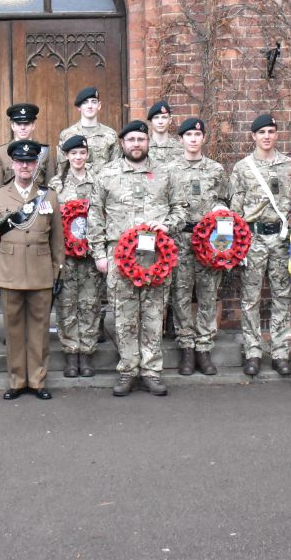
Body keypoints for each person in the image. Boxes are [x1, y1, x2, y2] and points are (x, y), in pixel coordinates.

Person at [88, 120, 187, 396]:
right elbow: (95, 216)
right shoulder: (107, 174)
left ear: (147, 142)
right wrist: (99, 254)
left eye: (141, 139)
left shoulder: (166, 173)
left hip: (156, 257)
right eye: (131, 140)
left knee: (154, 315)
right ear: (122, 143)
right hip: (119, 257)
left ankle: (151, 371)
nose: (136, 144)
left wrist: (167, 225)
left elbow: (181, 209)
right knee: (124, 316)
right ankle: (128, 371)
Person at [0, 139, 66, 400]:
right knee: (14, 329)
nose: (25, 166)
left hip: (41, 271)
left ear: (36, 165)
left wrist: (58, 272)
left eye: (30, 161)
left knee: (40, 330)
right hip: (9, 272)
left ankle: (38, 381)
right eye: (20, 161)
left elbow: (57, 239)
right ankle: (17, 381)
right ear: (13, 164)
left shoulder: (48, 196)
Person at [229, 113, 291, 377]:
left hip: (281, 239)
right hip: (253, 239)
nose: (267, 136)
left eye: (271, 131)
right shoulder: (242, 168)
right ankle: (253, 352)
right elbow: (236, 209)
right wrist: (237, 244)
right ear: (253, 136)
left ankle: (280, 353)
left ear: (276, 134)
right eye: (262, 132)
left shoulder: (289, 165)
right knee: (250, 298)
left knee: (282, 296)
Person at [167, 118, 231, 376]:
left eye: (197, 135)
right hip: (180, 238)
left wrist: (220, 211)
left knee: (208, 293)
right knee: (181, 293)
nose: (193, 139)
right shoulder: (170, 170)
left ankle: (204, 347)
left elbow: (225, 200)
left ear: (204, 138)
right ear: (181, 139)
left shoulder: (215, 170)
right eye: (188, 135)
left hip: (209, 240)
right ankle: (186, 348)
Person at [50, 134, 105, 378]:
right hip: (67, 256)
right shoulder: (57, 184)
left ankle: (87, 353)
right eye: (73, 153)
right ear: (66, 156)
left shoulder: (98, 180)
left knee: (90, 304)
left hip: (92, 254)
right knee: (67, 304)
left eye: (82, 153)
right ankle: (71, 354)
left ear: (87, 154)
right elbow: (51, 220)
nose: (78, 157)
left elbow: (104, 213)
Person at [0, 103, 57, 188]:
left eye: (27, 123)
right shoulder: (1, 152)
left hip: (38, 195)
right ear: (12, 126)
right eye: (18, 124)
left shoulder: (45, 151)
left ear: (33, 126)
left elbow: (51, 186)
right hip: (10, 195)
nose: (22, 127)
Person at [57, 86, 119, 169]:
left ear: (99, 105)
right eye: (85, 102)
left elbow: (116, 167)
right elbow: (62, 168)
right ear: (79, 107)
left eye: (94, 102)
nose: (90, 106)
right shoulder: (67, 135)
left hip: (104, 177)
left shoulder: (110, 134)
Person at [146, 101, 180, 166]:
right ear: (151, 121)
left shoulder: (180, 148)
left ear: (170, 120)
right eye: (156, 117)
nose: (160, 122)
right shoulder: (143, 147)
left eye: (164, 117)